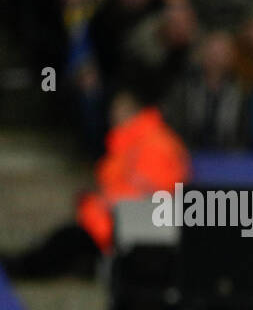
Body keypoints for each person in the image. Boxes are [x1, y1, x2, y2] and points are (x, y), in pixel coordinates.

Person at [2, 89, 189, 280]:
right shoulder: (129, 141)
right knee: (64, 239)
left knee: (66, 242)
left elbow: (150, 192)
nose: (113, 114)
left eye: (120, 109)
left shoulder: (155, 144)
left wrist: (104, 203)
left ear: (136, 110)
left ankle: (19, 267)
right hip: (110, 222)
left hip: (122, 228)